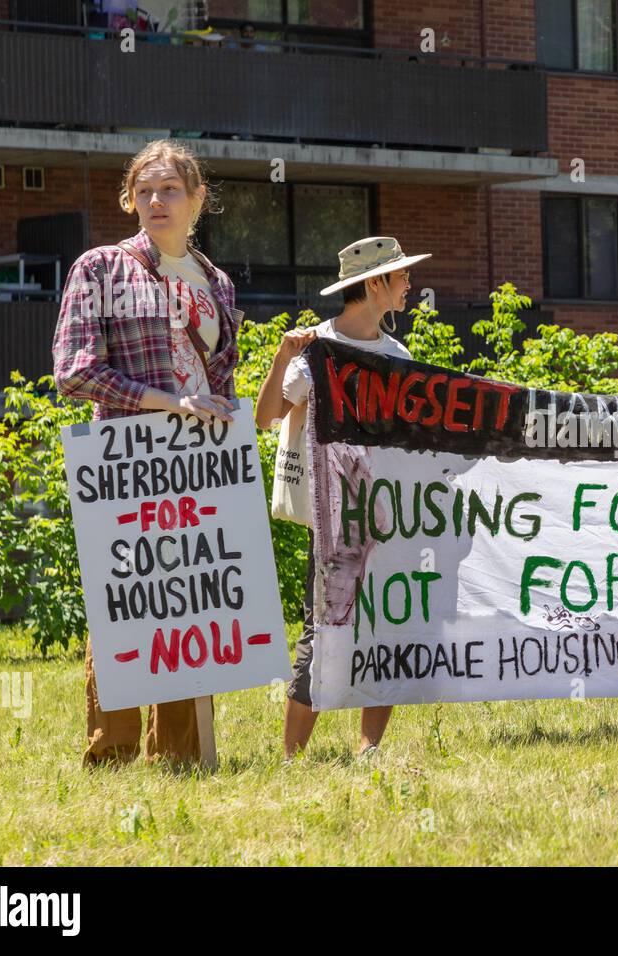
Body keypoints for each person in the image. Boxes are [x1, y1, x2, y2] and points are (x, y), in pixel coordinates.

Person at [53, 139, 241, 765]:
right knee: (127, 597)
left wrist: (223, 430)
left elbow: (222, 380)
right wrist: (166, 403)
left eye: (170, 190)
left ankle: (181, 752)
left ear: (197, 199)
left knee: (189, 596)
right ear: (129, 198)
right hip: (127, 453)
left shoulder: (218, 284)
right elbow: (74, 372)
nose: (156, 201)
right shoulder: (101, 269)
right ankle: (112, 750)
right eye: (145, 191)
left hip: (200, 460)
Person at [254, 237, 430, 759]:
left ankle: (368, 749)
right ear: (375, 284)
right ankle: (292, 758)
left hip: (387, 517)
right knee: (323, 629)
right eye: (400, 277)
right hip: (334, 521)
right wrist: (283, 356)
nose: (409, 285)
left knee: (388, 626)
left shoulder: (398, 357)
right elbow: (266, 417)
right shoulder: (315, 354)